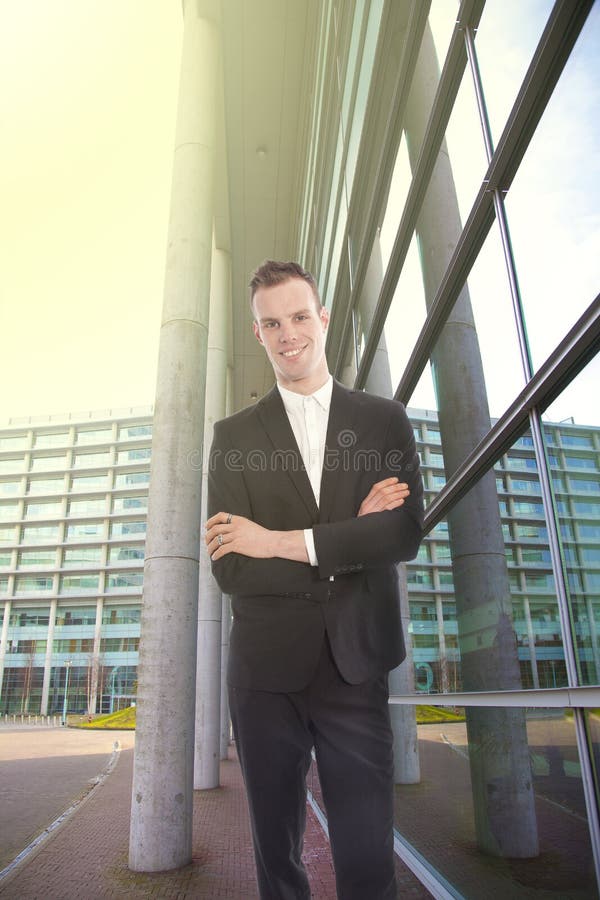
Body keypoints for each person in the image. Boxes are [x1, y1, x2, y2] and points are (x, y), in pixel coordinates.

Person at [205, 260, 423, 900]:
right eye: (272, 323)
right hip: (265, 677)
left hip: (356, 665)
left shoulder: (384, 421)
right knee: (278, 856)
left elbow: (402, 533)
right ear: (257, 333)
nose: (287, 333)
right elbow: (231, 567)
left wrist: (276, 539)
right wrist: (347, 536)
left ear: (322, 319)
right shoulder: (233, 437)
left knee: (366, 858)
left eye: (299, 316)